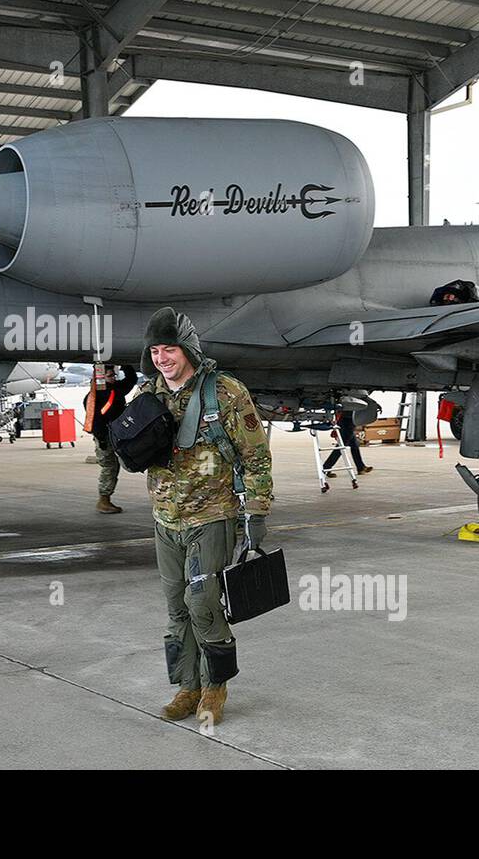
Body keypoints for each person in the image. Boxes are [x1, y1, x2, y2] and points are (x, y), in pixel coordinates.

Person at [137, 307, 273, 726]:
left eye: (170, 349)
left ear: (188, 350)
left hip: (211, 516)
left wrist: (256, 512)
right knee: (176, 607)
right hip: (165, 519)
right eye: (155, 350)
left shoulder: (225, 392)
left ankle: (214, 687)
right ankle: (186, 688)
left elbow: (256, 456)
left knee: (204, 603)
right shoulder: (149, 394)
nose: (162, 358)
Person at [84, 363, 140, 513]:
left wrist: (125, 365)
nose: (114, 378)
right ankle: (104, 500)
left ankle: (105, 499)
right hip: (105, 437)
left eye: (114, 376)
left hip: (116, 435)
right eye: (110, 376)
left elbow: (131, 380)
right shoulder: (97, 396)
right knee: (109, 467)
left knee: (115, 466)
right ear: (100, 377)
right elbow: (95, 421)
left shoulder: (113, 390)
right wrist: (101, 439)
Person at [323, 408, 372, 477]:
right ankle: (326, 467)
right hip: (347, 421)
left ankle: (361, 467)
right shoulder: (352, 398)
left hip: (347, 419)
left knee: (354, 445)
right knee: (341, 446)